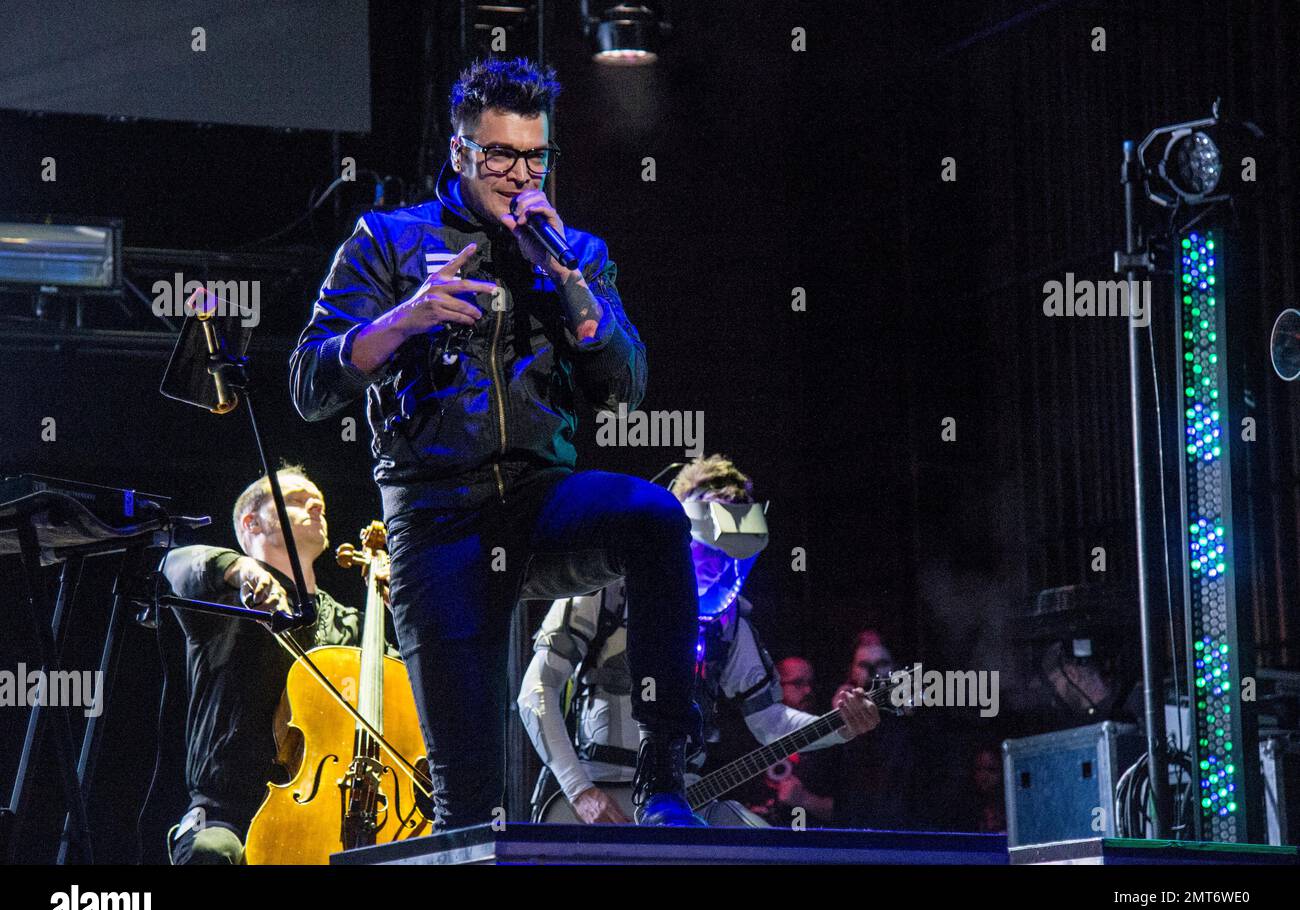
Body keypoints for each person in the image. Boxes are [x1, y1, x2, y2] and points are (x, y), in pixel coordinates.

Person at [290, 58, 702, 827]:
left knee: (655, 518)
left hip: (543, 498)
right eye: (499, 155)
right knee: (467, 800)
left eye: (534, 156)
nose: (518, 174)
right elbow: (309, 382)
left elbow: (627, 385)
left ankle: (665, 774)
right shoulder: (387, 239)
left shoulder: (575, 248)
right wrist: (405, 317)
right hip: (436, 512)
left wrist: (570, 279)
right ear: (460, 152)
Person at [518, 455, 878, 825]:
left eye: (731, 558)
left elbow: (768, 720)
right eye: (710, 551)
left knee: (765, 848)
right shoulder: (607, 589)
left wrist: (840, 726)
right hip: (595, 790)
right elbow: (536, 689)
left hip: (685, 797)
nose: (720, 567)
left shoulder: (727, 620)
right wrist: (580, 791)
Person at [162, 467, 362, 864]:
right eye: (296, 499)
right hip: (229, 816)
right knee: (211, 852)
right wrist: (243, 572)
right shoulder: (222, 602)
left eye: (318, 498)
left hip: (324, 818)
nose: (317, 503)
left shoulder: (348, 623)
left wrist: (406, 609)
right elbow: (173, 563)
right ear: (251, 522)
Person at [741, 657, 841, 826]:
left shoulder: (830, 742)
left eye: (811, 683)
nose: (808, 690)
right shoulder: (750, 736)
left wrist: (804, 799)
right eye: (798, 683)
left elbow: (851, 811)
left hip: (805, 844)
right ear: (777, 688)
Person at [833, 629, 916, 829]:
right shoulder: (837, 710)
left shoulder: (912, 718)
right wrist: (835, 723)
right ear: (851, 671)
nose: (873, 672)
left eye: (882, 664)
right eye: (863, 665)